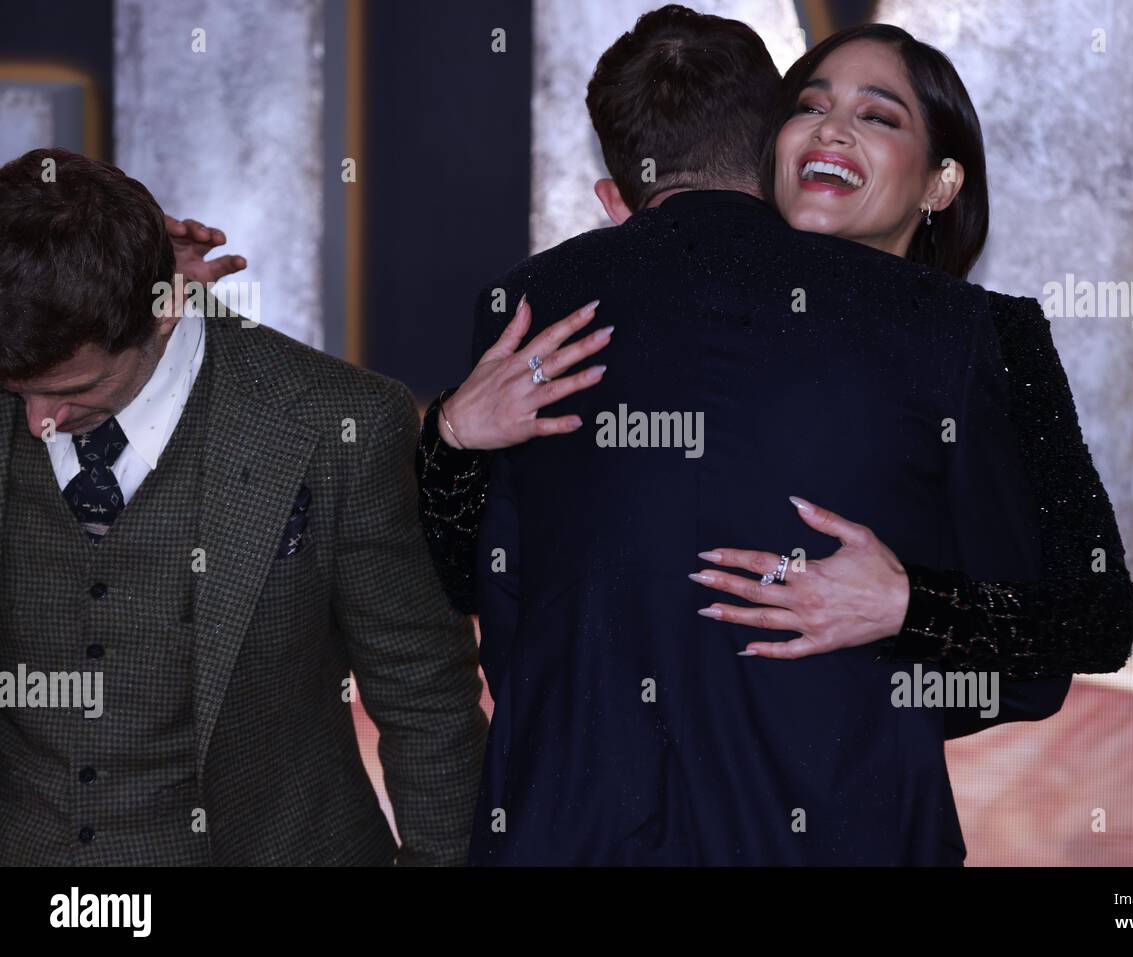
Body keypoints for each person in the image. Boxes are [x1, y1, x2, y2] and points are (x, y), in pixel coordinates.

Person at [421, 6, 1073, 865]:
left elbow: (491, 601)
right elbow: (1031, 667)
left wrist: (450, 441)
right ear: (777, 143)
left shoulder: (524, 308)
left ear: (614, 187)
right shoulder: (947, 328)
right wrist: (867, 683)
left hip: (571, 826)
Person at [0, 148, 487, 865]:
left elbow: (425, 698)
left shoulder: (340, 425)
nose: (39, 417)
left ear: (165, 313)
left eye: (76, 388)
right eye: (17, 390)